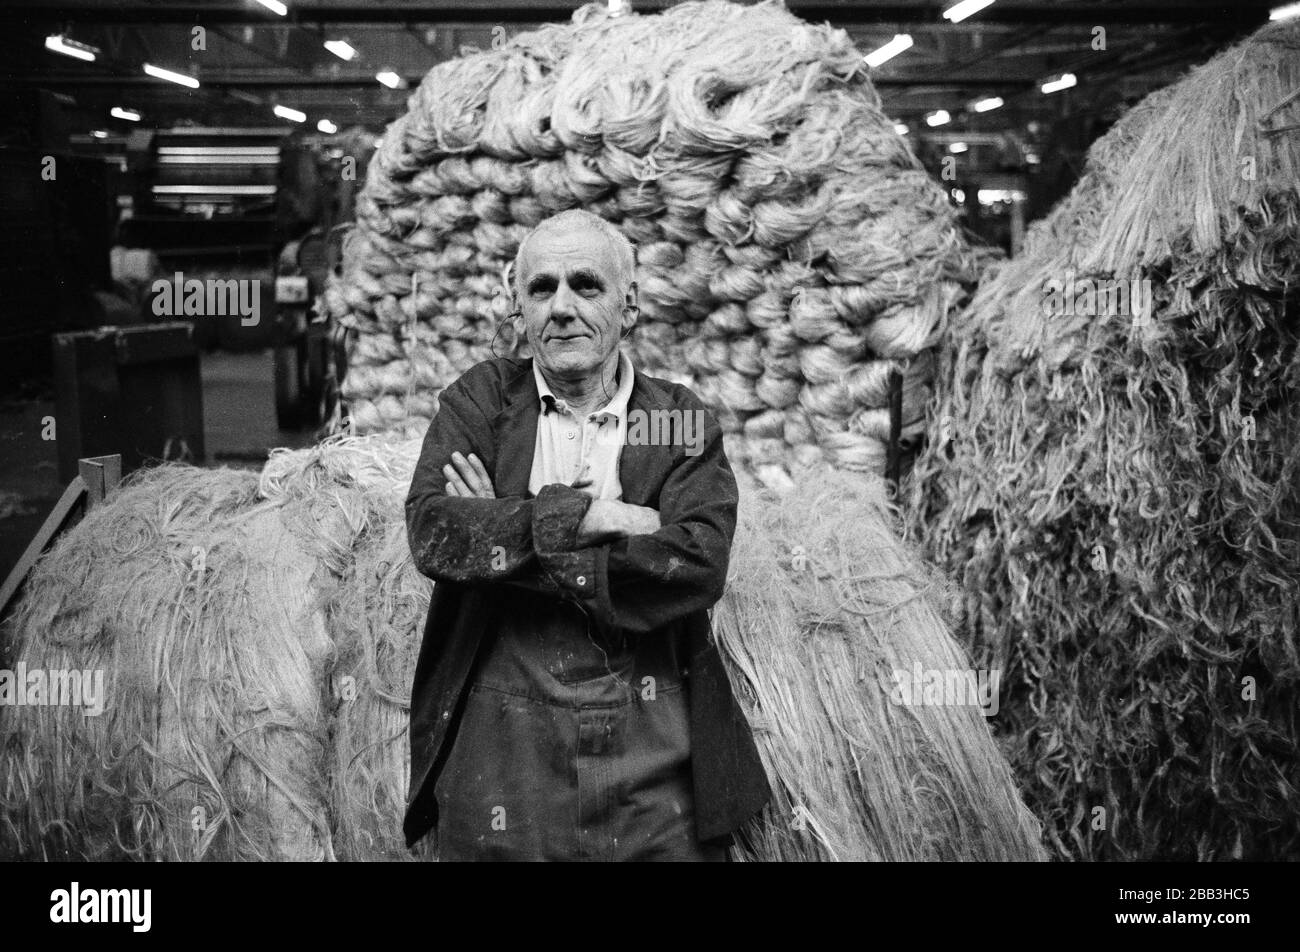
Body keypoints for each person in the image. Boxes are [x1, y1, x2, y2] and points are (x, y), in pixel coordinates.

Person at [403, 208, 769, 861]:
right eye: (541, 289)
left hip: (650, 751)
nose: (562, 307)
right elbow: (435, 531)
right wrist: (594, 516)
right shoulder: (482, 401)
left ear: (629, 306)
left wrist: (506, 525)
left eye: (586, 286)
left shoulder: (675, 418)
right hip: (503, 753)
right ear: (517, 310)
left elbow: (696, 561)